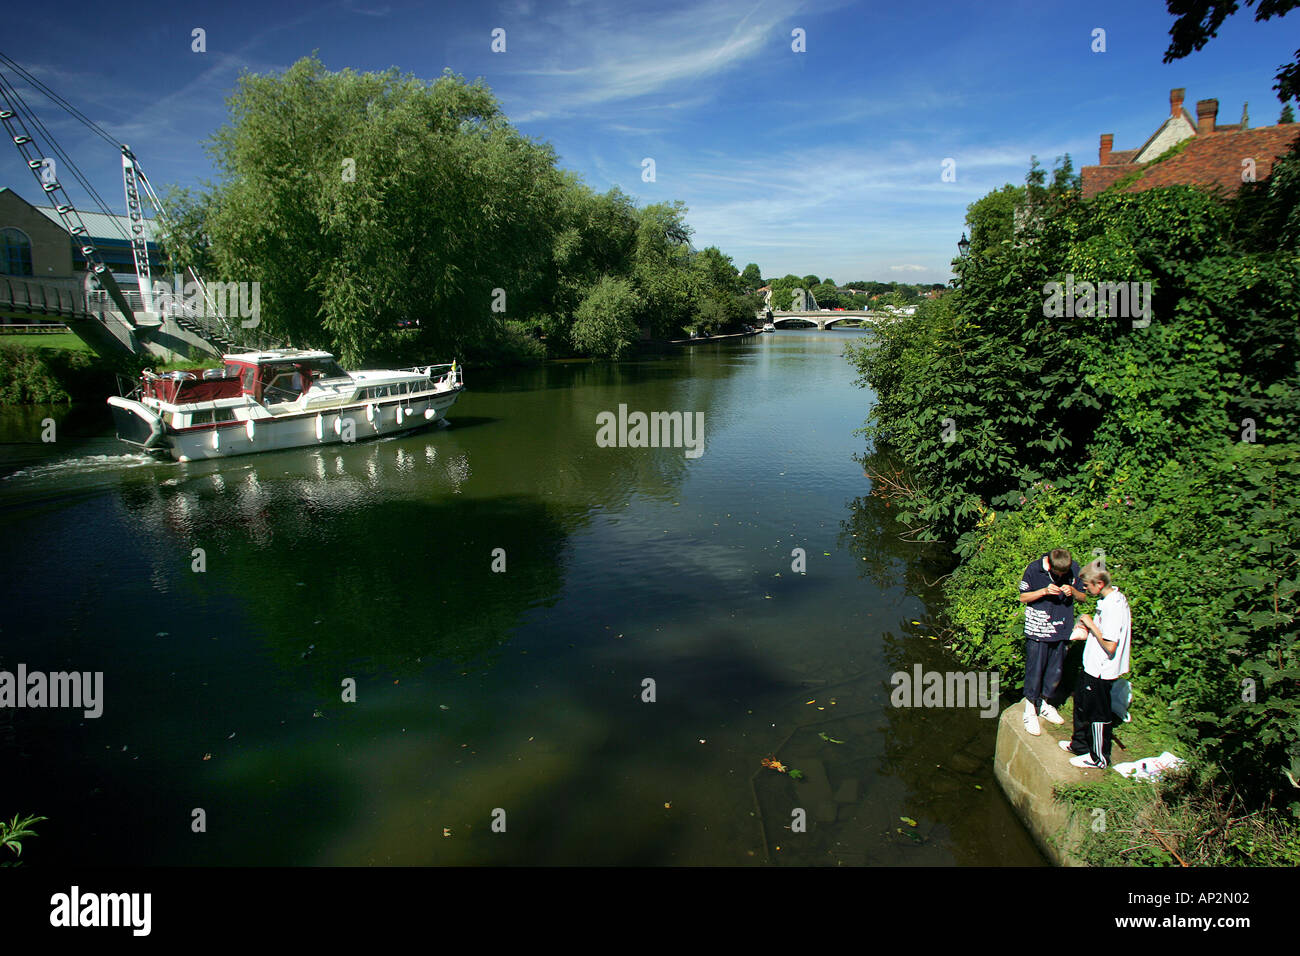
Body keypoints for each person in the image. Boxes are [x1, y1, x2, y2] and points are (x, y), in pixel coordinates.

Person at [1061, 561, 1131, 768]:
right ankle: (1080, 745)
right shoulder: (1108, 599)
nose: (1084, 589)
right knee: (1081, 704)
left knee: (1097, 712)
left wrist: (1091, 625)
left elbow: (1110, 646)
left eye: (1087, 585)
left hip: (1102, 670)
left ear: (1099, 583)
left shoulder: (1113, 608)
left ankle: (1099, 757)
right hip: (1091, 666)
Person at [1018, 548, 1084, 735]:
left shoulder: (1073, 569)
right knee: (1035, 668)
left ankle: (1045, 703)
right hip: (1038, 629)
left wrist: (1072, 591)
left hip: (1061, 628)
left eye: (1065, 574)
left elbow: (1084, 596)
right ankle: (1030, 710)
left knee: (1056, 670)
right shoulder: (1034, 569)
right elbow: (1023, 597)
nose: (1062, 576)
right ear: (1050, 564)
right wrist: (1044, 591)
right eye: (1059, 574)